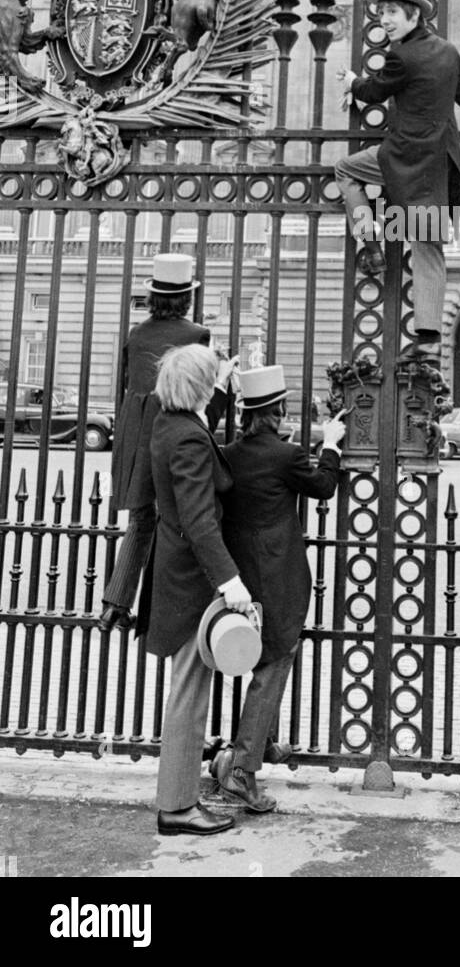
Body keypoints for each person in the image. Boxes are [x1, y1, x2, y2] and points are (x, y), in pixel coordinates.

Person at [209, 365, 346, 812]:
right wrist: (329, 445)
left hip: (240, 574)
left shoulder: (230, 452)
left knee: (260, 653)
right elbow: (323, 485)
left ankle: (262, 741)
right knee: (275, 658)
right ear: (279, 411)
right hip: (280, 574)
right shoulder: (286, 456)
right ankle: (242, 769)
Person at [335, 0, 460, 367]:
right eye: (382, 13)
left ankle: (368, 238)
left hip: (401, 158)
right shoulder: (449, 52)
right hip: (439, 163)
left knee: (346, 170)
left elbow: (374, 91)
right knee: (427, 248)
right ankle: (429, 338)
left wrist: (350, 81)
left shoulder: (400, 56)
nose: (385, 20)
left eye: (393, 13)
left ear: (415, 14)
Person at [142, 342, 252, 837]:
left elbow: (201, 426)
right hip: (191, 580)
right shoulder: (187, 438)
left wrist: (221, 383)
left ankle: (179, 799)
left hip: (176, 572)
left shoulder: (172, 421)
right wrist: (230, 582)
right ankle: (177, 806)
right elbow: (199, 520)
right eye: (210, 379)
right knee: (189, 693)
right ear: (199, 388)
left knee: (189, 689)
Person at [98, 253, 236, 632]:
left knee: (141, 517)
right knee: (182, 516)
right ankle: (170, 610)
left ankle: (116, 602)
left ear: (154, 297)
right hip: (172, 427)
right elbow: (200, 395)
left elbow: (128, 385)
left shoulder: (136, 334)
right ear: (187, 298)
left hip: (134, 429)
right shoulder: (196, 336)